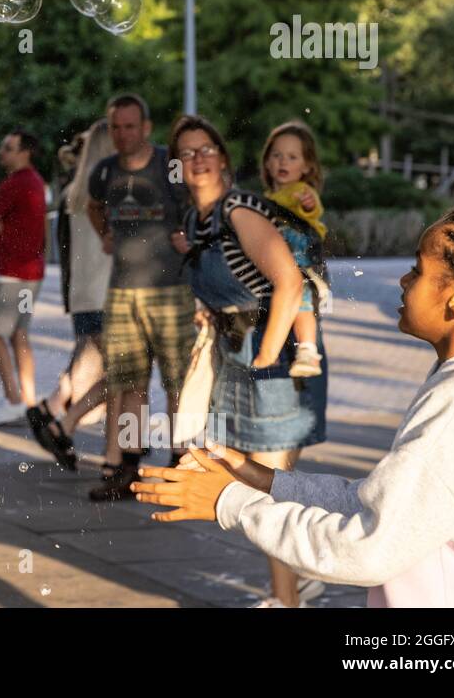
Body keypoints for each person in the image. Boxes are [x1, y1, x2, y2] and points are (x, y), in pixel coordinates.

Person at [133, 205, 454, 608]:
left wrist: (230, 502)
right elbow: (385, 503)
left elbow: (367, 549)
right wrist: (266, 480)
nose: (404, 280)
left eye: (418, 270)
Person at [169, 115, 328, 608]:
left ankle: (288, 600)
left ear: (223, 158)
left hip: (274, 360)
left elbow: (289, 283)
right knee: (271, 484)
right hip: (236, 356)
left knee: (267, 488)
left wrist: (263, 357)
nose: (197, 159)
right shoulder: (199, 222)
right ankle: (303, 576)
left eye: (206, 148)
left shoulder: (240, 210)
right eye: (187, 152)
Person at [85, 95, 194, 501]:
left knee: (178, 382)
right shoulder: (105, 170)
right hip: (123, 292)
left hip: (171, 291)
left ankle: (182, 463)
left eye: (130, 126)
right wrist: (105, 235)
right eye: (116, 127)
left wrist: (191, 241)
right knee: (128, 383)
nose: (123, 134)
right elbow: (93, 206)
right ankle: (126, 468)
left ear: (146, 128)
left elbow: (197, 205)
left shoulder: (169, 164)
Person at [29, 119, 115, 469]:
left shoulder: (73, 193)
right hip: (110, 291)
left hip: (83, 292)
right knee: (120, 371)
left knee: (94, 364)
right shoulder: (109, 188)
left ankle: (53, 412)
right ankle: (59, 417)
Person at [0, 129, 48, 426]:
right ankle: (28, 401)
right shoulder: (36, 182)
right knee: (19, 334)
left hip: (10, 273)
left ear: (24, 152)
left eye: (8, 148)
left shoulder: (15, 183)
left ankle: (12, 399)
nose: (1, 153)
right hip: (31, 273)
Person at [261, 121, 327, 378]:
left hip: (299, 262)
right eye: (276, 155)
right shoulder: (268, 197)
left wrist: (308, 204)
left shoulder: (301, 191)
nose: (282, 162)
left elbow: (313, 210)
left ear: (307, 166)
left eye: (292, 157)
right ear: (267, 162)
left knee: (302, 303)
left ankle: (308, 351)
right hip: (278, 261)